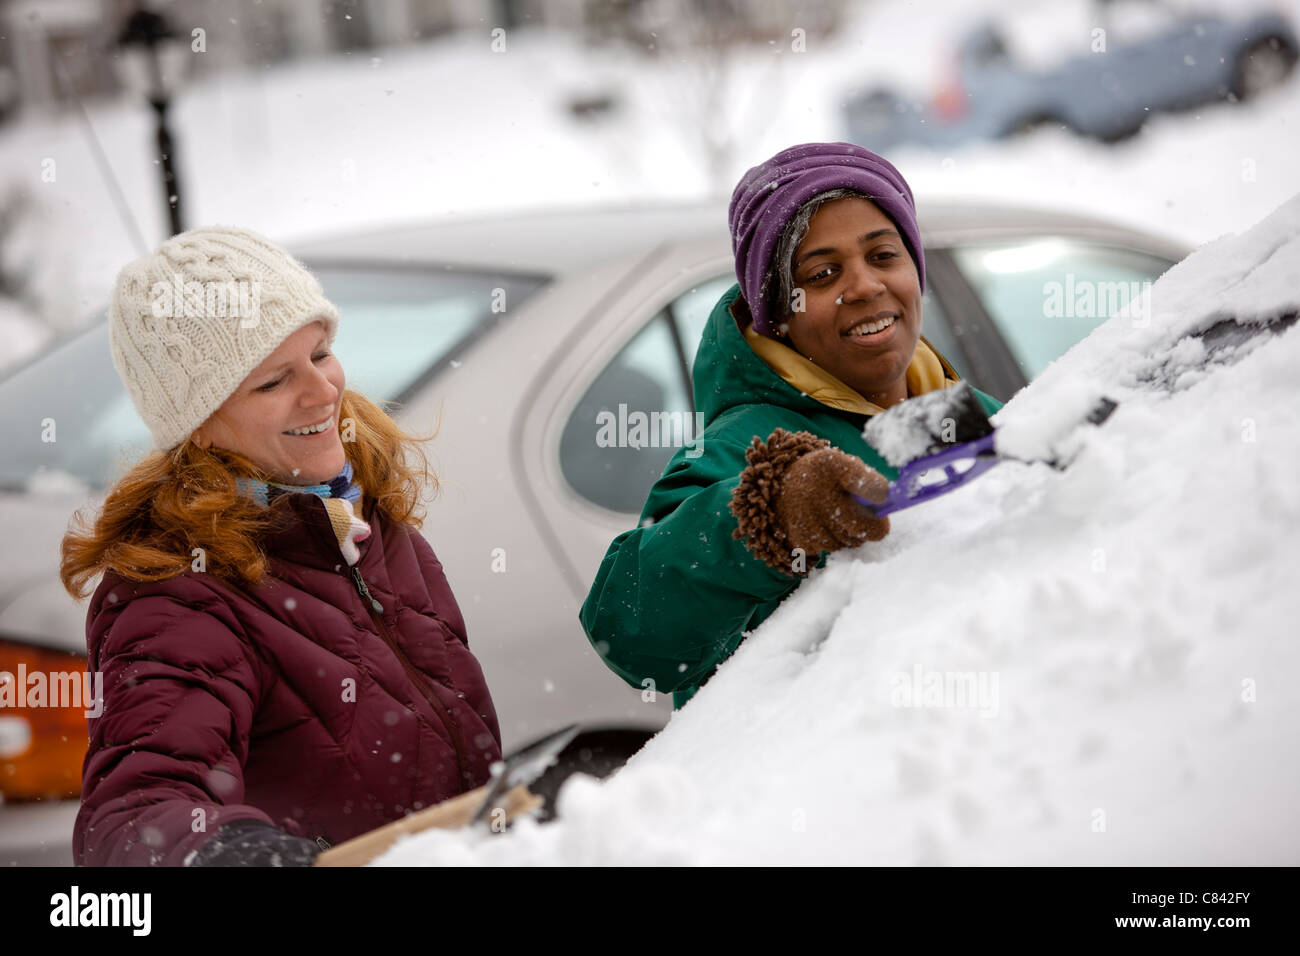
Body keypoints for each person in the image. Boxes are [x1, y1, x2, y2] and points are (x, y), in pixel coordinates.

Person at [60, 226, 501, 866]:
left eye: (321, 354)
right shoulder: (178, 599)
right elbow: (133, 816)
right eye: (272, 382)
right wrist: (231, 854)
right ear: (201, 427)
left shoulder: (368, 525)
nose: (323, 392)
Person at [580, 142, 1003, 709]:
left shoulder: (970, 414)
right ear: (777, 314)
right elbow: (630, 632)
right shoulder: (743, 447)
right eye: (823, 273)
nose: (865, 286)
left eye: (883, 257)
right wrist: (768, 516)